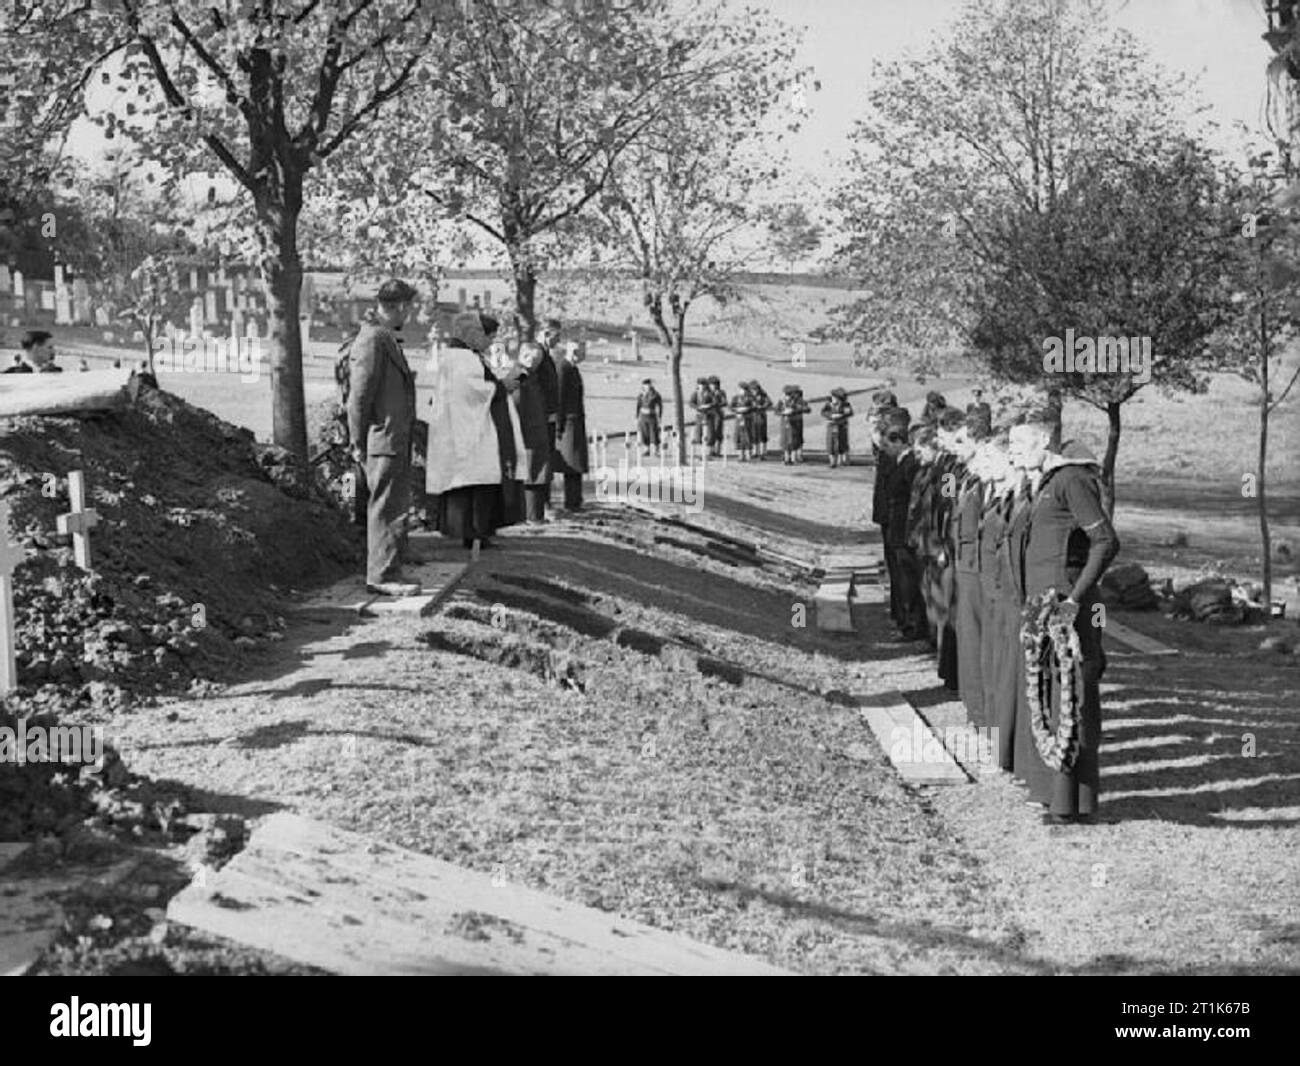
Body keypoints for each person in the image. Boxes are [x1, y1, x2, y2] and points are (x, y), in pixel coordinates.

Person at [1007, 422, 1119, 824]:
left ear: (1043, 444)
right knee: (1053, 697)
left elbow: (1106, 540)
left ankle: (1076, 804)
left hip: (1068, 605)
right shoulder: (1048, 481)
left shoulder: (1072, 479)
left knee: (1074, 698)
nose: (1012, 452)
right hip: (1044, 606)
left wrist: (1074, 598)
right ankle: (1056, 797)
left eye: (1018, 444)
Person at [425, 311, 524, 547]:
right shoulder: (462, 358)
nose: (491, 343)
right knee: (476, 484)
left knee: (475, 484)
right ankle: (475, 535)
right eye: (488, 337)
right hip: (470, 431)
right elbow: (472, 391)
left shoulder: (463, 356)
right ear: (473, 334)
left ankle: (478, 533)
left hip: (467, 427)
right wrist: (504, 386)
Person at [347, 279, 420, 595]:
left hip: (391, 436)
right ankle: (382, 577)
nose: (412, 314)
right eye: (411, 307)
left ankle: (392, 568)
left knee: (393, 505)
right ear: (401, 306)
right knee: (384, 507)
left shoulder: (382, 337)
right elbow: (359, 397)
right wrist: (356, 441)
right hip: (381, 437)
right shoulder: (372, 340)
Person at [505, 342, 552, 523]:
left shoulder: (531, 376)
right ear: (521, 356)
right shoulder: (519, 377)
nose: (533, 362)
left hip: (535, 432)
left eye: (537, 359)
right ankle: (532, 517)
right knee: (532, 477)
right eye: (529, 358)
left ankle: (535, 516)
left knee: (537, 476)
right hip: (527, 435)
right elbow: (514, 406)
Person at [555, 339, 589, 511]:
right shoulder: (563, 369)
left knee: (577, 464)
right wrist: (559, 426)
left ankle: (576, 499)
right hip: (568, 422)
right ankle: (571, 501)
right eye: (579, 351)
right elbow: (559, 398)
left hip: (576, 421)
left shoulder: (572, 369)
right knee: (572, 463)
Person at [536, 318, 563, 501]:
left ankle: (545, 502)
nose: (558, 341)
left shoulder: (547, 355)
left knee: (548, 458)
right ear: (546, 334)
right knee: (541, 460)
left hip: (549, 416)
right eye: (556, 336)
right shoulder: (537, 354)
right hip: (540, 417)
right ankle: (540, 506)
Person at [775, 385, 810, 465]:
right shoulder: (782, 401)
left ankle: (795, 458)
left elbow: (807, 409)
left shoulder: (798, 400)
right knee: (785, 440)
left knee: (794, 440)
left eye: (789, 394)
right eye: (786, 394)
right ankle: (786, 458)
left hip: (796, 422)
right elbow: (776, 411)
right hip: (785, 422)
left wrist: (795, 410)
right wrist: (783, 412)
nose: (787, 396)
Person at [821, 387, 853, 467]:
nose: (833, 399)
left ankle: (842, 460)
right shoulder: (828, 404)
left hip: (842, 426)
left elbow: (849, 413)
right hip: (831, 425)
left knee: (842, 442)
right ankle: (832, 461)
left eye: (835, 398)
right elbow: (823, 412)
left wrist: (841, 415)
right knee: (831, 443)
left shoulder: (845, 404)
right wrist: (830, 416)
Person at [636, 378, 662, 456]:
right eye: (644, 385)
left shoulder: (655, 394)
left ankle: (656, 450)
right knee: (645, 433)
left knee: (654, 432)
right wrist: (637, 417)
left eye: (647, 385)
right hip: (643, 415)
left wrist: (660, 416)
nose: (646, 386)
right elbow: (638, 406)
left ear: (650, 385)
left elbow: (660, 406)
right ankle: (647, 450)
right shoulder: (641, 395)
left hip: (651, 415)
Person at [731, 381, 754, 461]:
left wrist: (747, 409)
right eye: (741, 389)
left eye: (744, 390)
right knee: (739, 436)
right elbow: (731, 407)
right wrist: (737, 410)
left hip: (747, 419)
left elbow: (754, 407)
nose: (742, 391)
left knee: (747, 436)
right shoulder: (736, 398)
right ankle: (740, 455)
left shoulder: (750, 398)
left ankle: (748, 454)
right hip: (738, 418)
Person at [749, 381, 772, 460]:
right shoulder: (749, 396)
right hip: (753, 416)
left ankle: (763, 452)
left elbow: (769, 402)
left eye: (755, 389)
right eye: (753, 389)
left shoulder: (763, 395)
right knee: (754, 434)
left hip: (761, 416)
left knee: (762, 434)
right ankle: (755, 452)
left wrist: (762, 406)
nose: (754, 391)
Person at [705, 376, 726, 457]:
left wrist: (717, 404)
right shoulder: (708, 393)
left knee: (718, 432)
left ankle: (718, 451)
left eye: (714, 384)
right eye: (711, 384)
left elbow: (724, 402)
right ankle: (711, 451)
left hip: (718, 414)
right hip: (710, 414)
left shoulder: (721, 392)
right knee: (710, 433)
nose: (713, 386)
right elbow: (704, 402)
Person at [688, 376, 709, 455]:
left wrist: (708, 406)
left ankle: (706, 452)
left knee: (707, 434)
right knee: (698, 433)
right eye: (700, 385)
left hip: (708, 415)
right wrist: (698, 407)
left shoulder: (708, 393)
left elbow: (714, 402)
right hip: (699, 415)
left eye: (703, 385)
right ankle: (700, 452)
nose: (702, 386)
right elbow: (691, 403)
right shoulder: (695, 393)